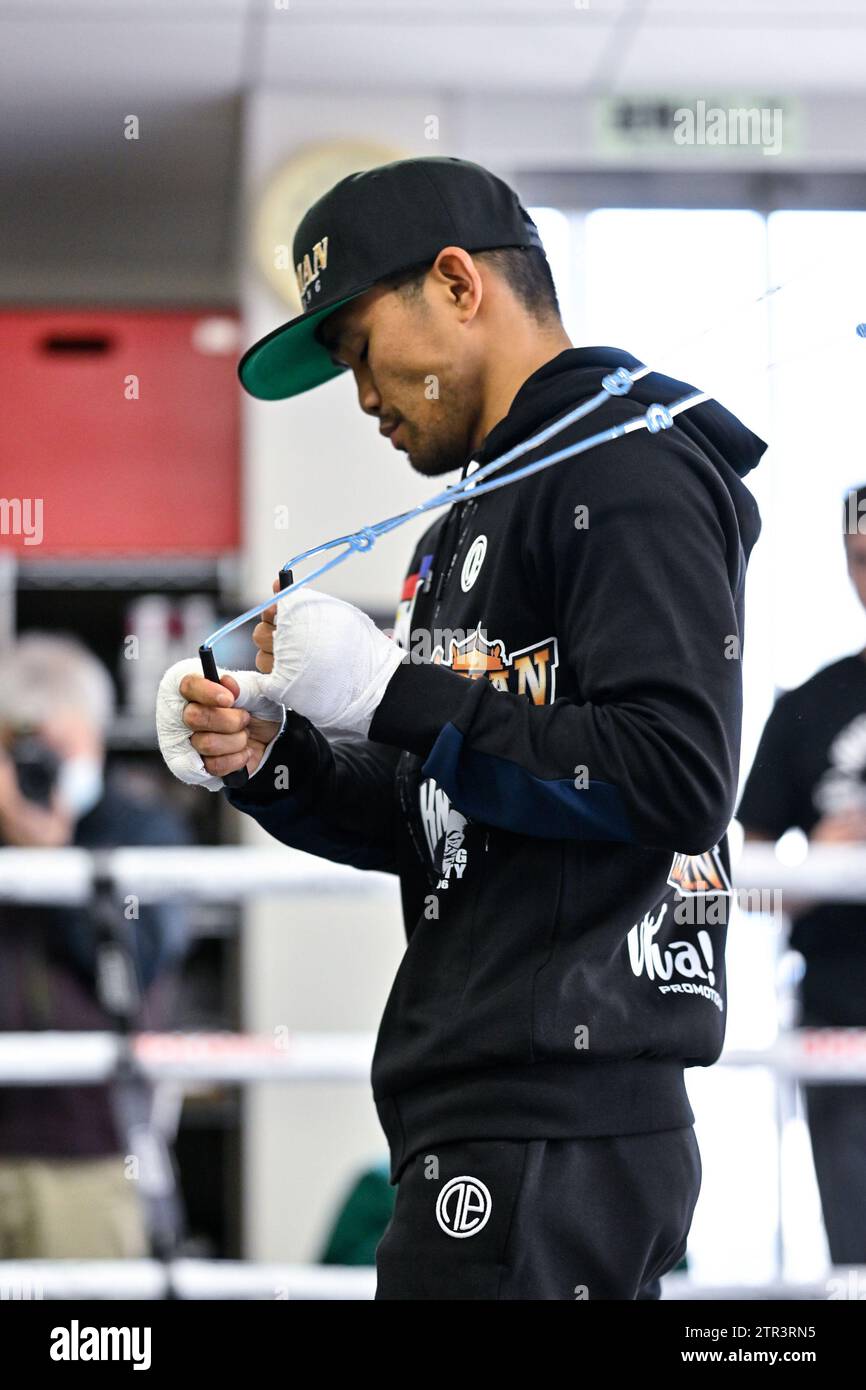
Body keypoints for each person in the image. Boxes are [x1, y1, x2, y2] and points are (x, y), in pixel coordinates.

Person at [157, 156, 766, 1299]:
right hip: (484, 1111)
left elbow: (677, 778)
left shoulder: (626, 463)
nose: (363, 400)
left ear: (454, 282)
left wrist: (397, 692)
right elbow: (434, 808)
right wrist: (274, 758)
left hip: (560, 1119)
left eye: (359, 352)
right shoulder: (474, 511)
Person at [0, 633, 190, 1258]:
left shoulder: (141, 831)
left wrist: (56, 865)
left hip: (91, 1153)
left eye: (54, 749)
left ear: (95, 738)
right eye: (17, 749)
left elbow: (128, 976)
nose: (37, 770)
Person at [738, 483, 866, 1267]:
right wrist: (822, 858)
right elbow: (744, 885)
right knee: (857, 1264)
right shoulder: (809, 707)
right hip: (839, 1024)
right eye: (860, 561)